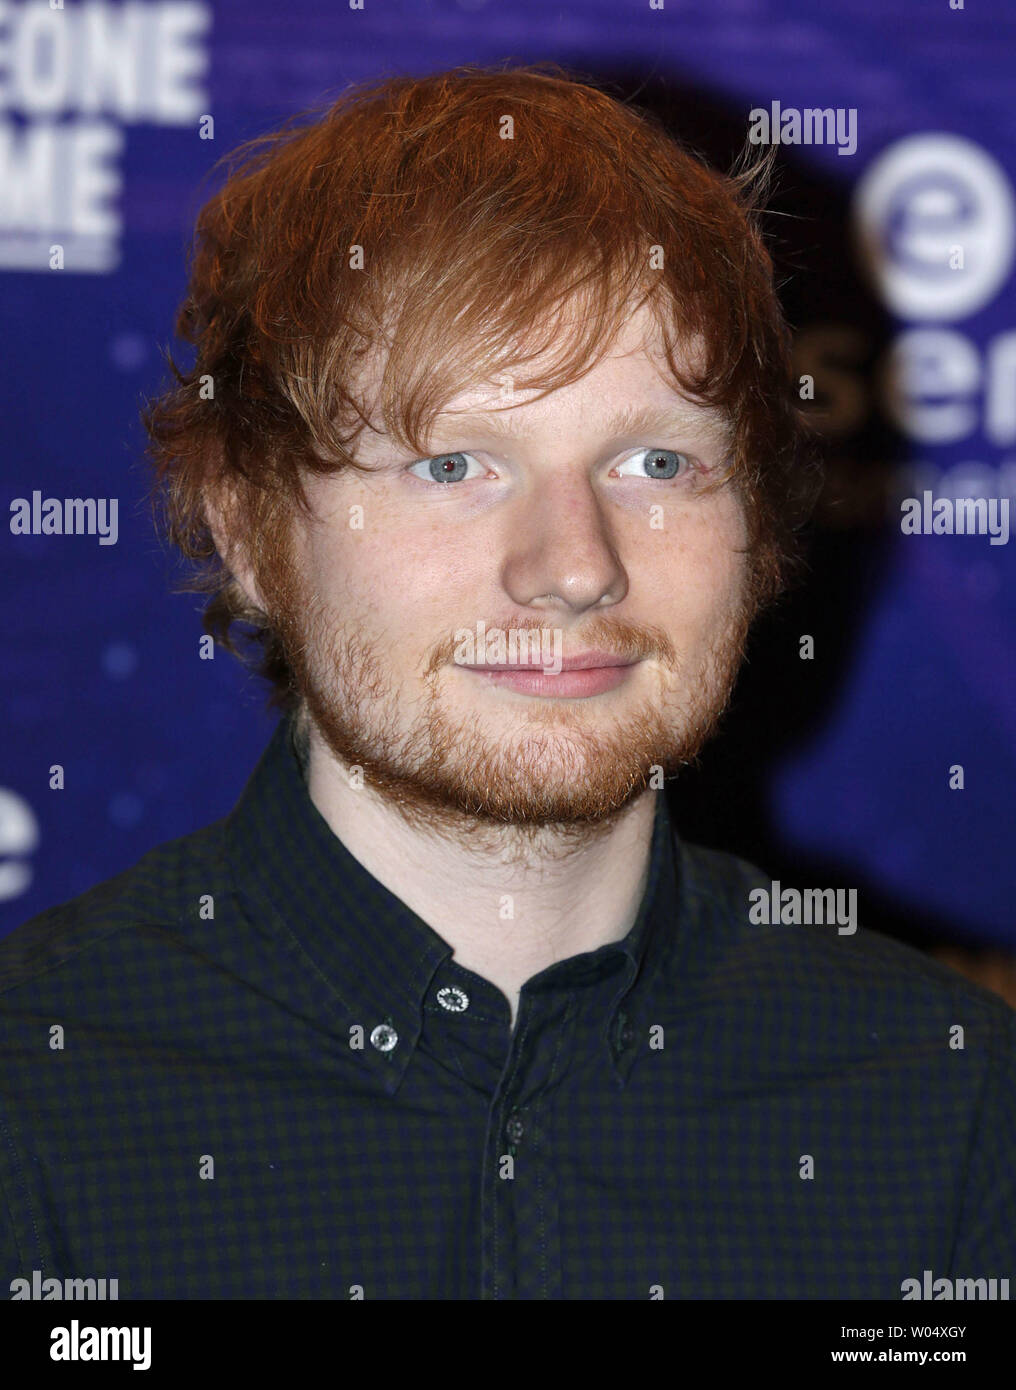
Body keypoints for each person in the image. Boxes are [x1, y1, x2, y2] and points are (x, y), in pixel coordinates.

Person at [2, 64, 1013, 1301]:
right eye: (450, 464)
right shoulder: (33, 1097)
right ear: (250, 531)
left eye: (654, 459)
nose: (572, 569)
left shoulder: (954, 1105)